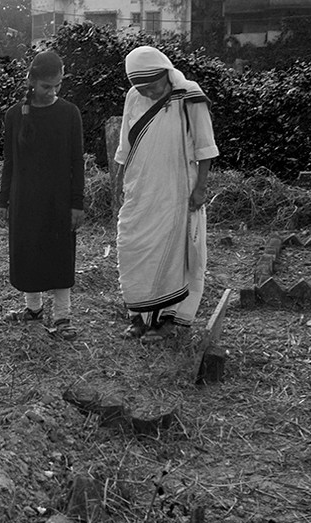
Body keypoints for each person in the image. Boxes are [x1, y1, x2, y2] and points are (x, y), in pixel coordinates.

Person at [113, 46, 219, 341]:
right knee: (131, 246)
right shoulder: (133, 97)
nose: (147, 93)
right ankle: (138, 317)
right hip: (141, 190)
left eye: (152, 86)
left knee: (174, 253)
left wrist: (200, 188)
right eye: (141, 88)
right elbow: (125, 146)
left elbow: (205, 146)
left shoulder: (189, 95)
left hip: (177, 191)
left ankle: (168, 322)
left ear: (166, 73)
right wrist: (123, 185)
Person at [0, 50, 85, 341]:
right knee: (28, 252)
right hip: (24, 200)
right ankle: (32, 309)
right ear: (32, 81)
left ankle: (63, 317)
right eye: (47, 86)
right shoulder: (14, 116)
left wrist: (77, 203)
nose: (53, 92)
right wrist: (2, 202)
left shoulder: (69, 113)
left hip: (59, 200)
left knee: (60, 255)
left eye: (58, 86)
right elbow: (10, 162)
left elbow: (76, 163)